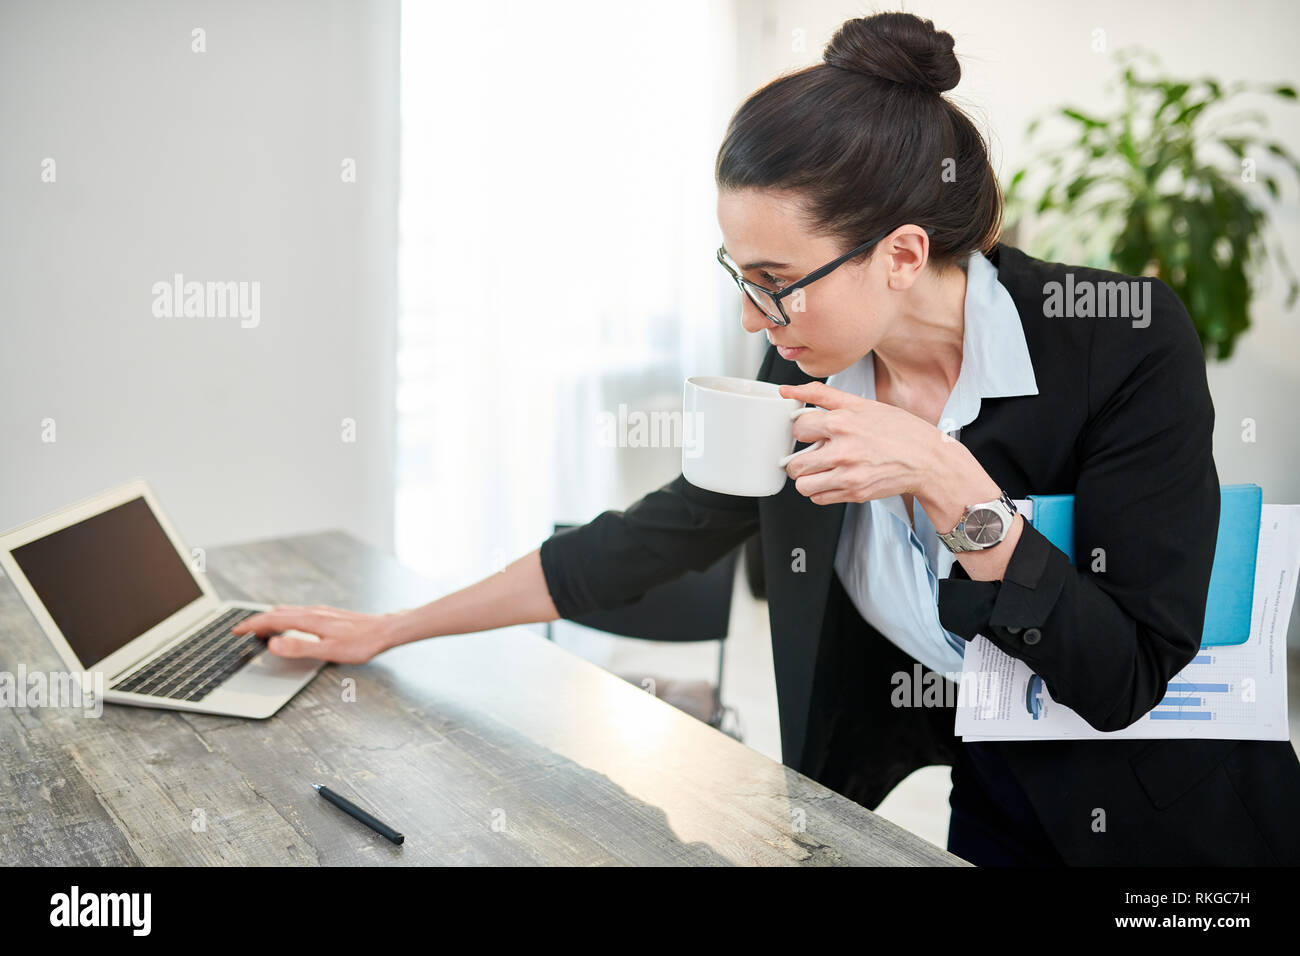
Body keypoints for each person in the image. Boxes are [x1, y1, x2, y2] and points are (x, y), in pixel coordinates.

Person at [234, 12, 1300, 866]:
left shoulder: (1117, 342)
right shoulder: (809, 353)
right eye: (738, 276)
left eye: (776, 284)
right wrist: (394, 626)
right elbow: (652, 535)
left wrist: (942, 473)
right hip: (994, 775)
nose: (754, 319)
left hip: (1170, 801)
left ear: (901, 250)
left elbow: (1121, 677)